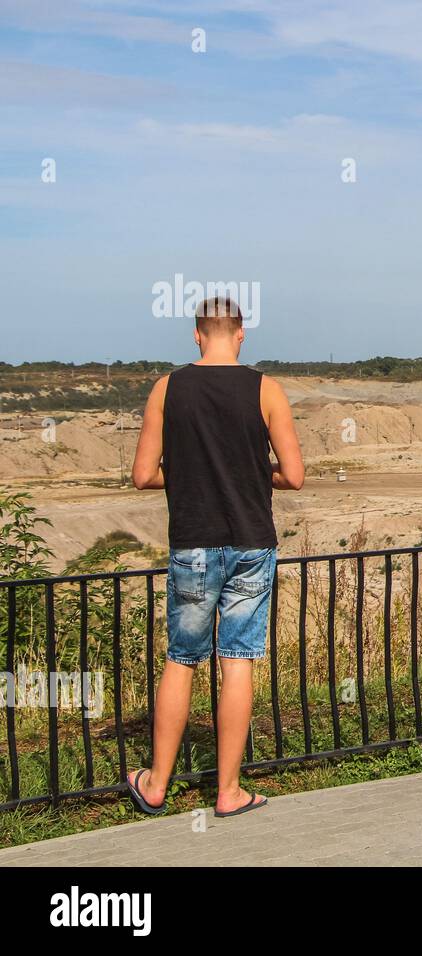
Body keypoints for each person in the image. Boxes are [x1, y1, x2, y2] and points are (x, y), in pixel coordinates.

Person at [126, 296, 304, 816]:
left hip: (193, 543)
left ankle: (156, 784)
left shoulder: (168, 388)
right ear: (241, 334)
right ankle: (228, 791)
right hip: (251, 543)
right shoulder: (266, 390)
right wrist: (253, 476)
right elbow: (293, 475)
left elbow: (142, 475)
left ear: (197, 335)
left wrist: (184, 476)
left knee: (181, 661)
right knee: (239, 663)